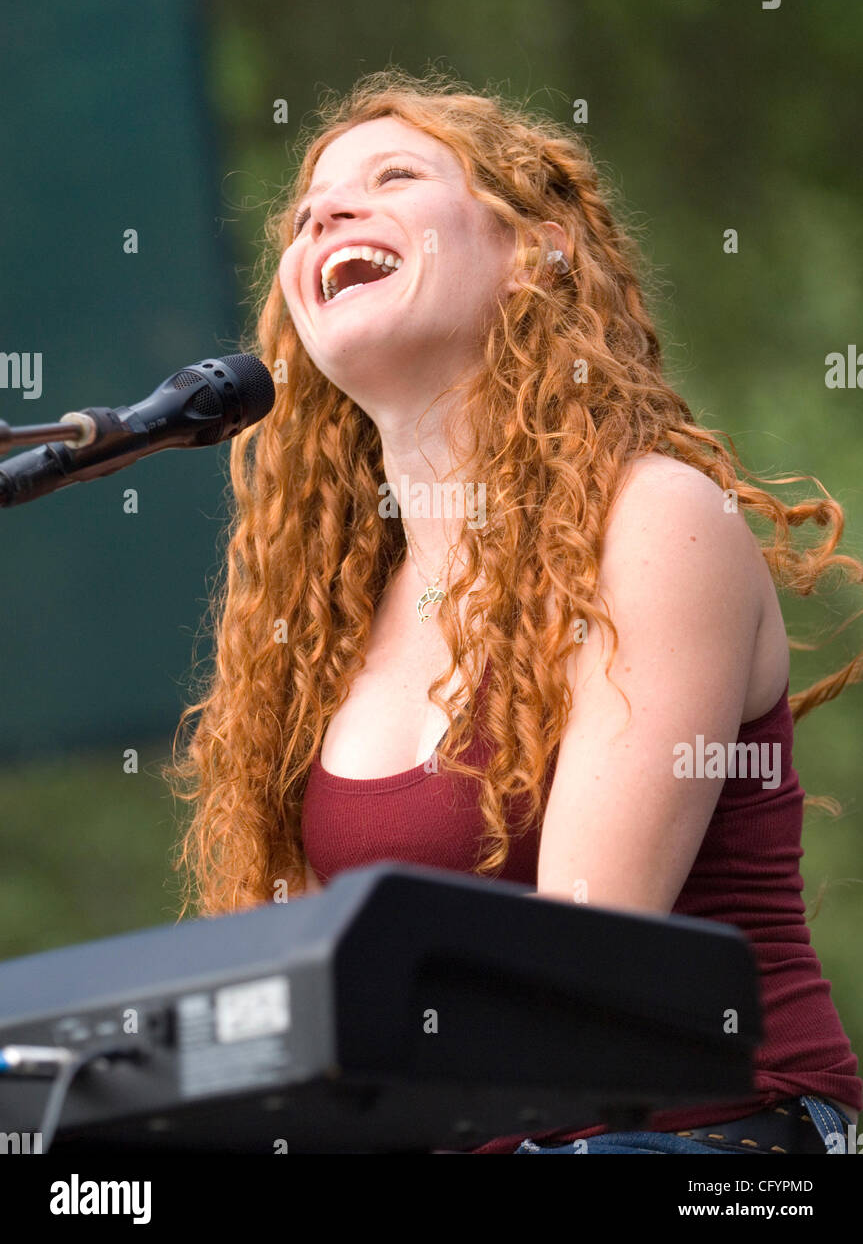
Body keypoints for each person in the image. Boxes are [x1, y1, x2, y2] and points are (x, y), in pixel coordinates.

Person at [169, 66, 862, 1154]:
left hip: (701, 1144)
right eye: (306, 214)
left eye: (393, 176)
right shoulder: (318, 627)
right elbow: (284, 1024)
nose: (328, 215)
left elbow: (573, 967)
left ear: (540, 250)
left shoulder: (652, 521)